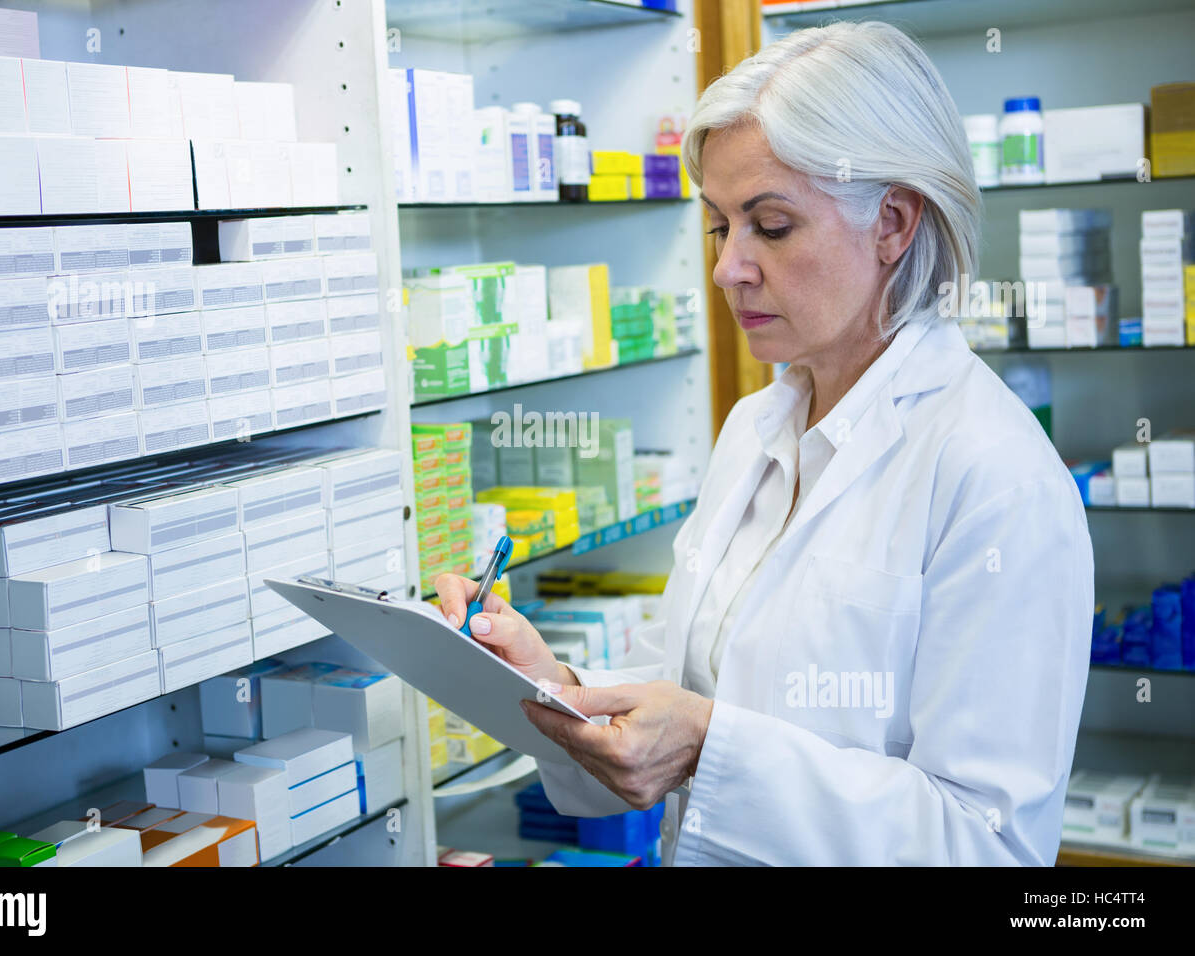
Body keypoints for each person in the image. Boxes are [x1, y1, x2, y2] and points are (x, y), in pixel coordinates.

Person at [435, 20, 1093, 866]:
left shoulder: (996, 475)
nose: (727, 268)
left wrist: (710, 751)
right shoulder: (753, 429)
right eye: (719, 227)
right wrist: (551, 687)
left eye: (771, 226)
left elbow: (987, 845)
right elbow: (669, 706)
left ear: (893, 223)